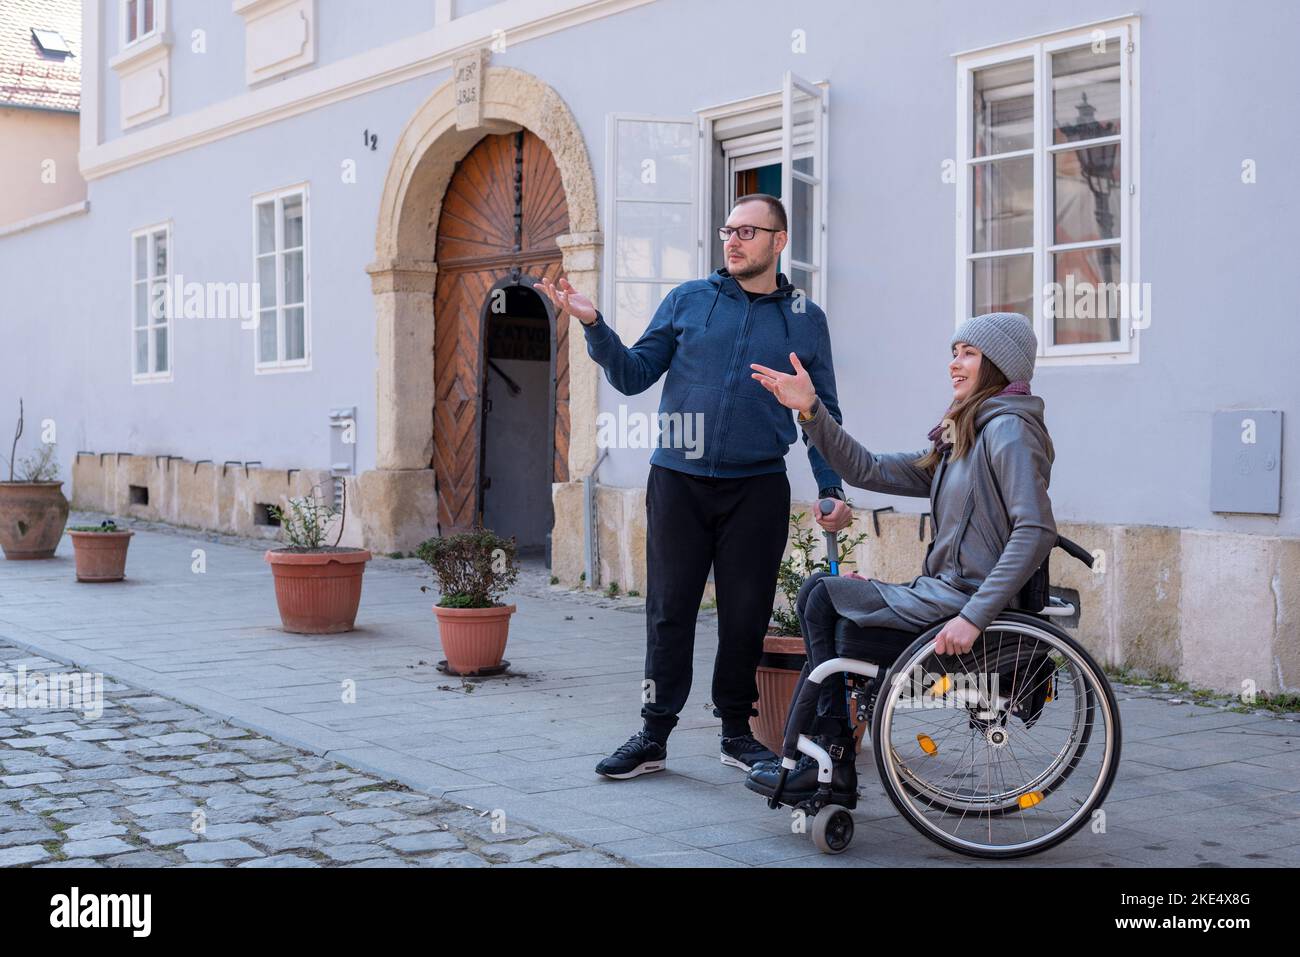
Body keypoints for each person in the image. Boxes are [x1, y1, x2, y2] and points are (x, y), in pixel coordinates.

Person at [534, 194, 853, 779]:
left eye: (748, 232)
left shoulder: (806, 318)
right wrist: (593, 323)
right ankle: (654, 733)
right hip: (678, 480)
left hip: (757, 485)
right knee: (669, 610)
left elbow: (820, 409)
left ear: (779, 243)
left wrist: (831, 487)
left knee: (745, 614)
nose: (733, 240)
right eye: (728, 229)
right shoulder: (688, 299)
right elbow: (632, 376)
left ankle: (737, 733)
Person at [744, 312, 1057, 804]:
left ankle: (827, 763)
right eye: (954, 352)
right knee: (821, 595)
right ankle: (827, 759)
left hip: (963, 603)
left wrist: (975, 617)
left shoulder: (1010, 432)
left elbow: (1035, 529)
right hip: (940, 593)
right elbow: (866, 468)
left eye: (968, 354)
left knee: (823, 595)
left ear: (999, 365)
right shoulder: (964, 437)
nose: (954, 364)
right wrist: (811, 411)